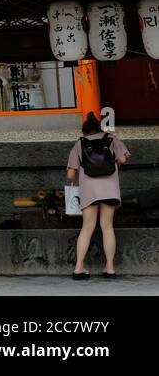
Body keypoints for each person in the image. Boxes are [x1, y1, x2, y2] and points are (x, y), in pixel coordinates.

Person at [67, 112, 130, 279]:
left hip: (89, 191)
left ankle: (79, 268)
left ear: (84, 131)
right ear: (99, 128)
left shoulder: (79, 144)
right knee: (107, 227)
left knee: (87, 228)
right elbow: (123, 159)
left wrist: (79, 179)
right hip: (109, 189)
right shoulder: (111, 139)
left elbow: (70, 174)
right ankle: (110, 268)